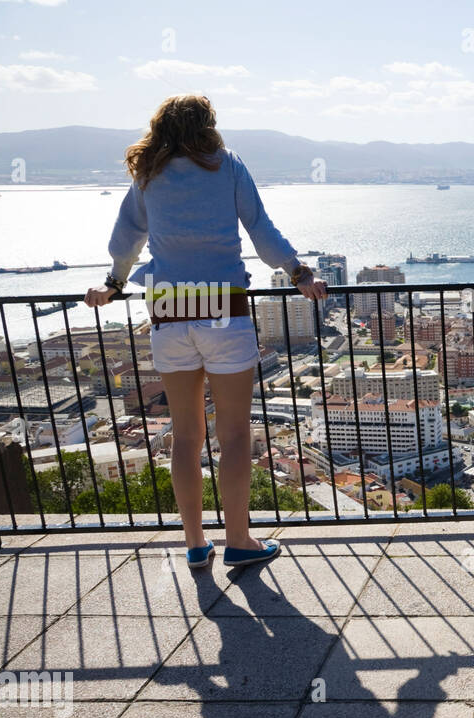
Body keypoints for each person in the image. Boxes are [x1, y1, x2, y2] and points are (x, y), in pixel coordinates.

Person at [84, 94, 326, 569]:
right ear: (208, 126)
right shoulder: (228, 165)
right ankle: (239, 540)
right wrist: (300, 274)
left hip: (168, 309)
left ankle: (195, 544)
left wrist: (112, 285)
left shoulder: (148, 173)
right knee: (234, 435)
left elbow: (126, 239)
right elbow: (261, 230)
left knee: (186, 436)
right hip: (222, 306)